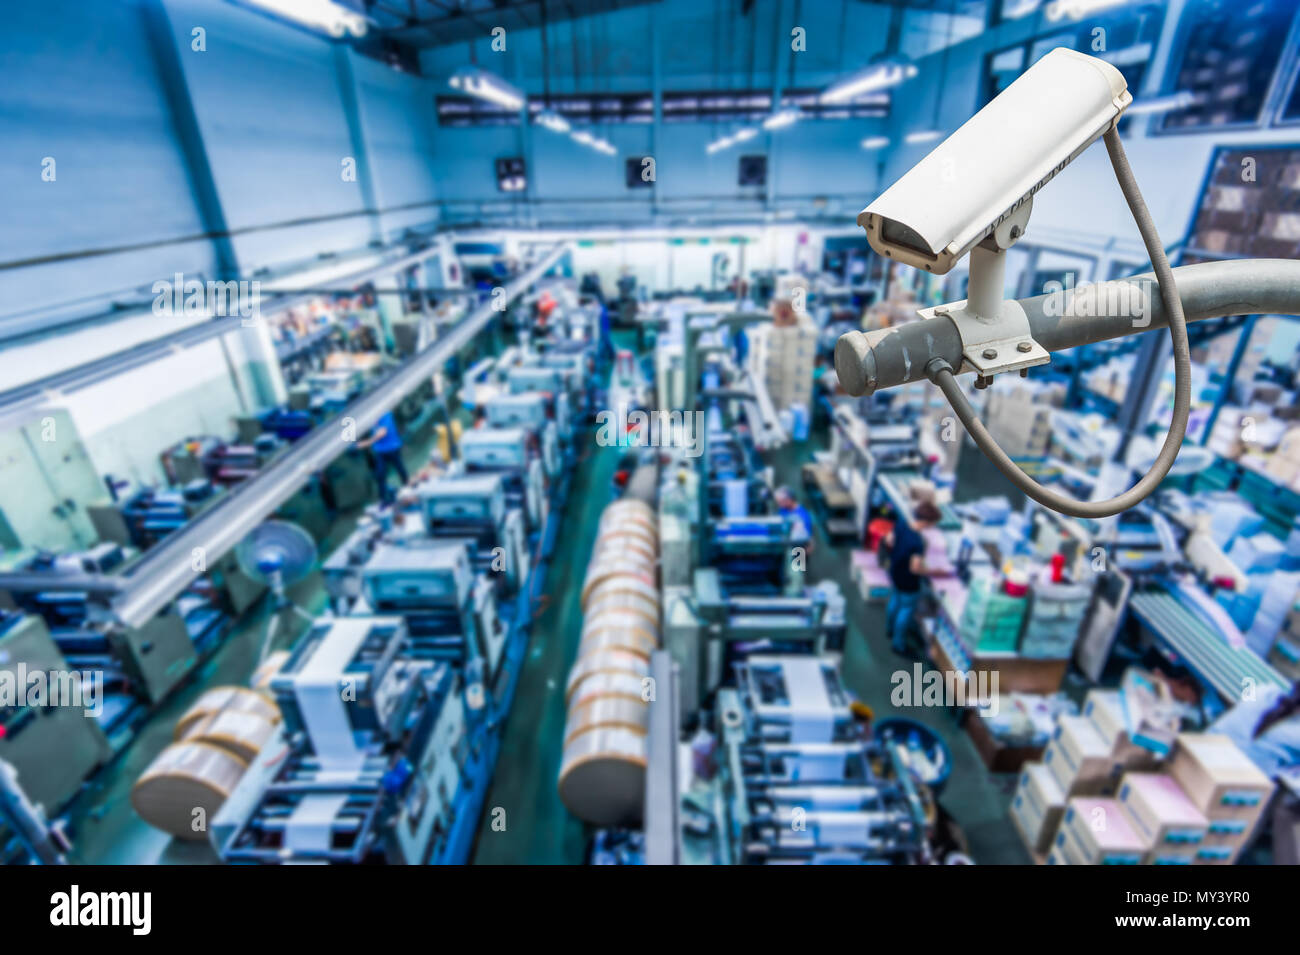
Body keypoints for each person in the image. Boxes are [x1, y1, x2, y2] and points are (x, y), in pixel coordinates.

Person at [884, 500, 942, 655]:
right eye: (932, 523)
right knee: (906, 609)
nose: (932, 526)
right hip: (908, 581)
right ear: (926, 522)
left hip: (895, 571)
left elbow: (889, 539)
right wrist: (932, 571)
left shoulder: (902, 523)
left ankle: (889, 629)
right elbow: (915, 568)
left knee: (894, 600)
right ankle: (898, 644)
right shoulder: (917, 542)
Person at [357, 410, 407, 506]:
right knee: (380, 474)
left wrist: (367, 443)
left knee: (400, 469)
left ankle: (407, 488)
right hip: (380, 450)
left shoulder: (385, 414)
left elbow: (382, 433)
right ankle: (383, 499)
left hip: (392, 447)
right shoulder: (371, 415)